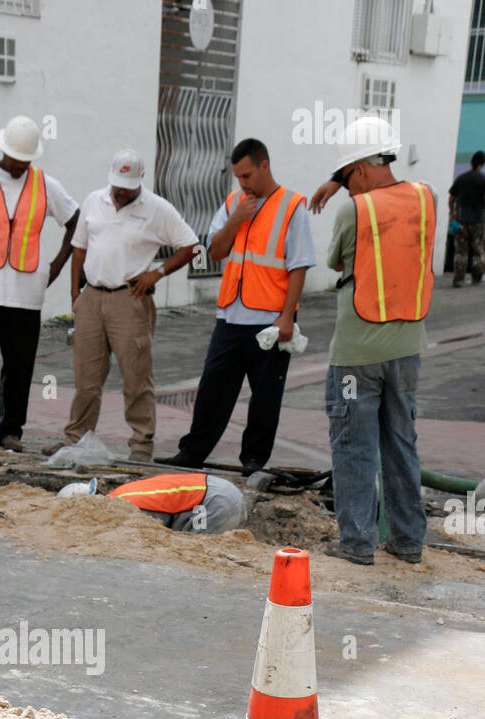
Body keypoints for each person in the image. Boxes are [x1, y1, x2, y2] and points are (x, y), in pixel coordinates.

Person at [313, 116, 436, 565]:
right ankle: (407, 542)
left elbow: (333, 259)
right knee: (401, 443)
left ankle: (357, 542)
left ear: (361, 170)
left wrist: (341, 193)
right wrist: (336, 177)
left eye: (347, 179)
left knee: (353, 446)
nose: (346, 188)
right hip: (408, 350)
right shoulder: (426, 198)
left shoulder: (354, 210)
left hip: (356, 356)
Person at [162, 138, 315, 475]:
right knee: (213, 387)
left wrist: (287, 316)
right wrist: (236, 219)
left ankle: (254, 460)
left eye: (247, 175)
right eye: (238, 177)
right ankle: (192, 452)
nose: (242, 183)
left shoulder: (292, 206)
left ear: (264, 165)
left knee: (265, 395)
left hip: (271, 319)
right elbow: (214, 252)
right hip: (231, 313)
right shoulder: (234, 202)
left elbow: (299, 266)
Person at [50, 150, 199, 462]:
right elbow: (79, 249)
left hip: (130, 300)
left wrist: (158, 272)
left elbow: (193, 245)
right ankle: (75, 439)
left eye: (127, 187)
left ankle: (141, 445)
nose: (121, 192)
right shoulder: (94, 200)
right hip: (92, 297)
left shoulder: (157, 209)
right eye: (118, 185)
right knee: (86, 379)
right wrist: (76, 297)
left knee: (136, 378)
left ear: (139, 181)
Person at [0, 116, 79, 450]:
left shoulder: (46, 184)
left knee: (18, 369)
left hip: (26, 296)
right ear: (3, 151)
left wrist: (56, 266)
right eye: (14, 159)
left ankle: (8, 431)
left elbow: (76, 221)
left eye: (25, 161)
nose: (18, 166)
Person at [109, 471, 247, 534]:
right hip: (219, 489)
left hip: (212, 500)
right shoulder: (122, 492)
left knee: (200, 548)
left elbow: (154, 532)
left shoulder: (126, 506)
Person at [448, 151, 485, 288]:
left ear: (471, 163)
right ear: (481, 164)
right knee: (478, 251)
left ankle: (458, 280)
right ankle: (476, 278)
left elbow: (451, 199)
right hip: (477, 222)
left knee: (460, 252)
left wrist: (452, 213)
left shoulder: (461, 178)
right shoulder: (482, 180)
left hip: (461, 220)